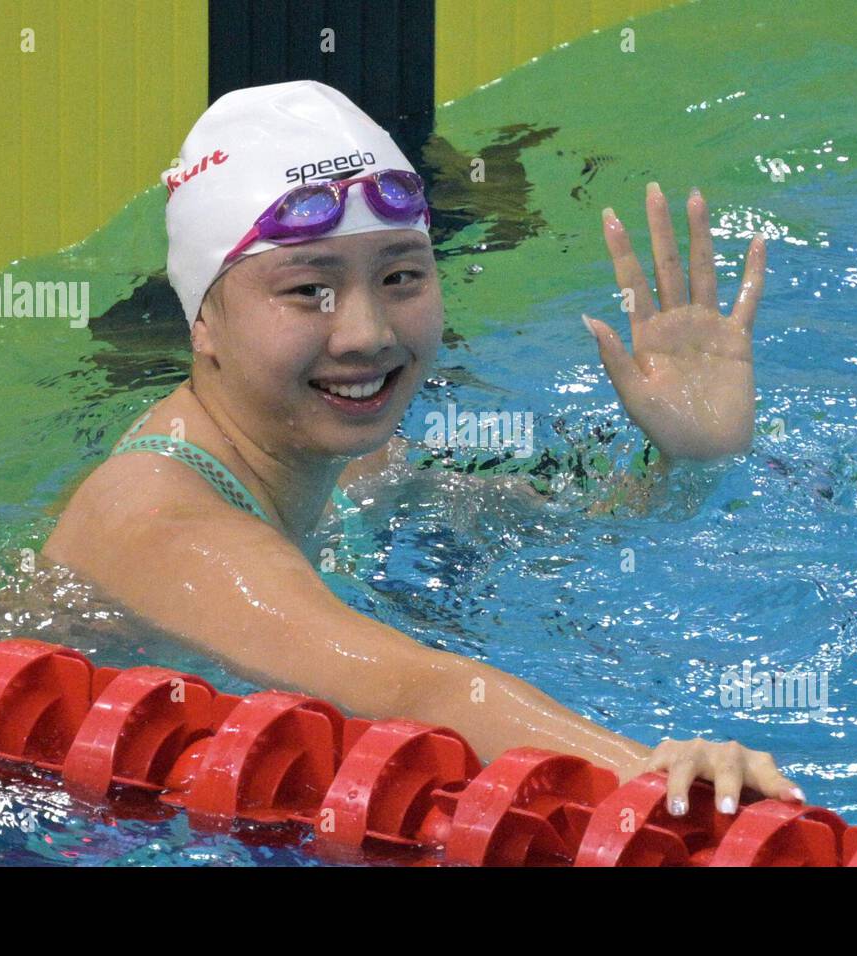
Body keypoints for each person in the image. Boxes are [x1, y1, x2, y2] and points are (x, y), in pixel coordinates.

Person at [43, 80, 802, 818]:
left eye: (402, 276)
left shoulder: (350, 459)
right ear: (201, 321)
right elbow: (410, 690)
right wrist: (645, 775)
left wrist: (694, 460)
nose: (369, 334)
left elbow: (587, 524)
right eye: (310, 291)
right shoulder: (157, 519)